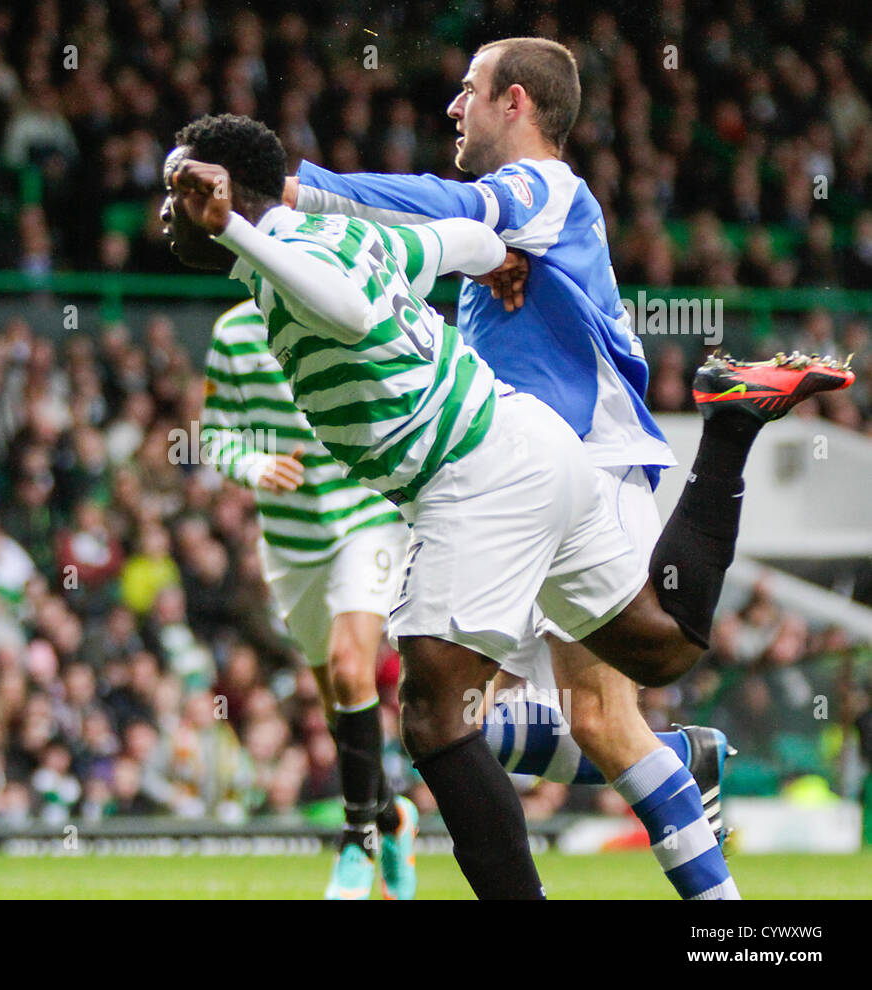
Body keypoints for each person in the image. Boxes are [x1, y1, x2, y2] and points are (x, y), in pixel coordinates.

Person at [162, 112, 852, 899]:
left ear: (222, 196)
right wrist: (498, 259)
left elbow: (350, 311)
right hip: (533, 448)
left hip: (475, 475)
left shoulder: (294, 252)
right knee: (657, 647)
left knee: (431, 715)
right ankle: (726, 433)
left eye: (176, 189)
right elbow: (453, 243)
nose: (166, 209)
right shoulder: (326, 250)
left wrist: (242, 233)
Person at [286, 37, 746, 894]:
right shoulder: (513, 222)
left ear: (517, 104)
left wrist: (296, 190)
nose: (452, 108)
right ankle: (701, 817)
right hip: (527, 468)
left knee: (526, 717)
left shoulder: (542, 188)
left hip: (577, 462)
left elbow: (435, 207)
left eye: (469, 90)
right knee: (574, 721)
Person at [202, 297, 418, 899]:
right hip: (292, 544)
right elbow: (216, 436)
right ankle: (390, 816)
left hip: (366, 517)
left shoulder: (340, 306)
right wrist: (254, 463)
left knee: (355, 670)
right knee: (335, 700)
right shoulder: (234, 334)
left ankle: (357, 841)